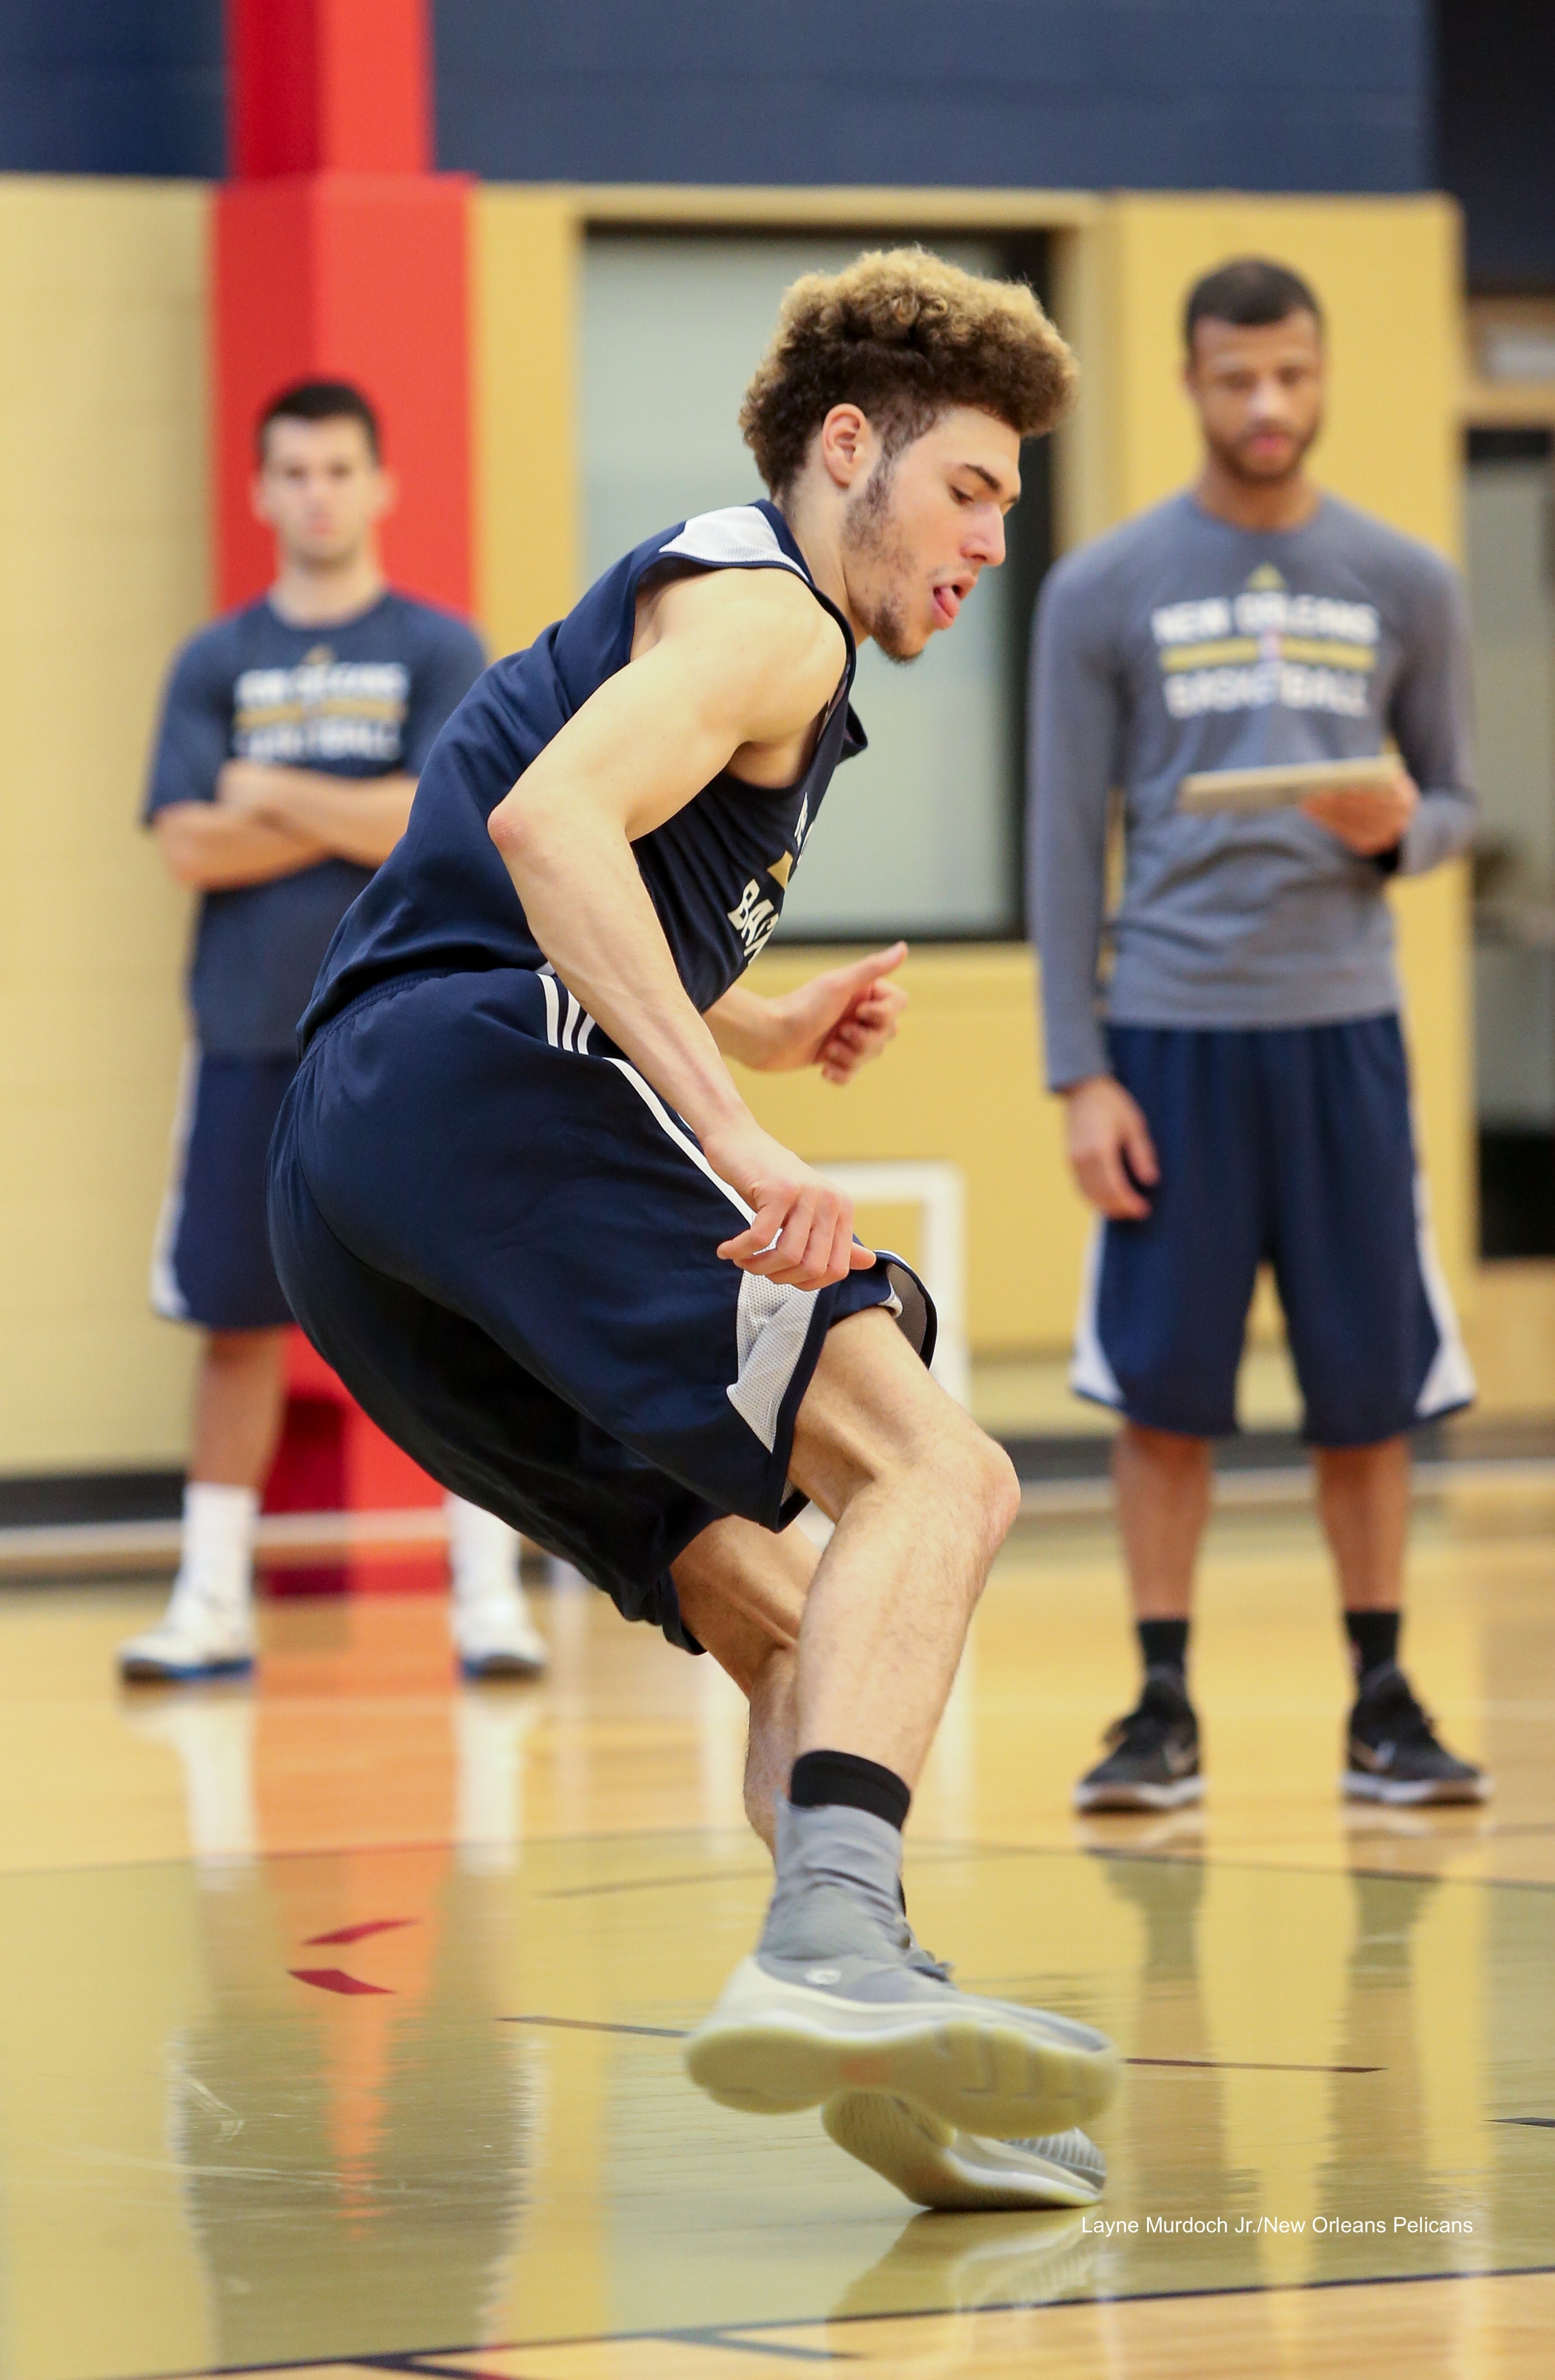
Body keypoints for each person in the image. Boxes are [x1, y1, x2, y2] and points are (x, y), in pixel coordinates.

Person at [267, 251, 1118, 2210]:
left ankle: (892, 2078)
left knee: (783, 1623)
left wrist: (752, 1014)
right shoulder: (778, 624)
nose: (997, 533)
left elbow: (555, 867)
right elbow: (551, 833)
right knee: (945, 1468)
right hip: (474, 1095)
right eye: (975, 485)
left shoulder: (706, 610)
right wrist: (739, 1134)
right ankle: (838, 1936)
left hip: (352, 1188)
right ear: (853, 451)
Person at [1031, 257, 1488, 1813]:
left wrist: (1395, 830)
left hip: (1344, 1031)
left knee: (1370, 1387)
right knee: (1165, 1393)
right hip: (1167, 1040)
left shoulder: (1407, 579)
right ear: (1190, 380)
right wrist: (1076, 1069)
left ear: (1325, 368)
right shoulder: (1102, 586)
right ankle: (1161, 1702)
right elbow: (1057, 839)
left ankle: (1380, 1695)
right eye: (1237, 379)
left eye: (1291, 374)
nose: (1268, 406)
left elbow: (1459, 811)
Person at [125, 379, 549, 1686]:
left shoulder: (436, 648)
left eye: (338, 470)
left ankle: (488, 1596)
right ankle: (209, 1601)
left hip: (402, 1029)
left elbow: (429, 822)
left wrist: (272, 791)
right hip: (248, 1033)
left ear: (381, 487)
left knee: (457, 1310)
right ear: (261, 493)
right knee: (236, 1323)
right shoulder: (214, 659)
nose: (316, 493)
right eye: (292, 471)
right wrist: (341, 806)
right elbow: (189, 844)